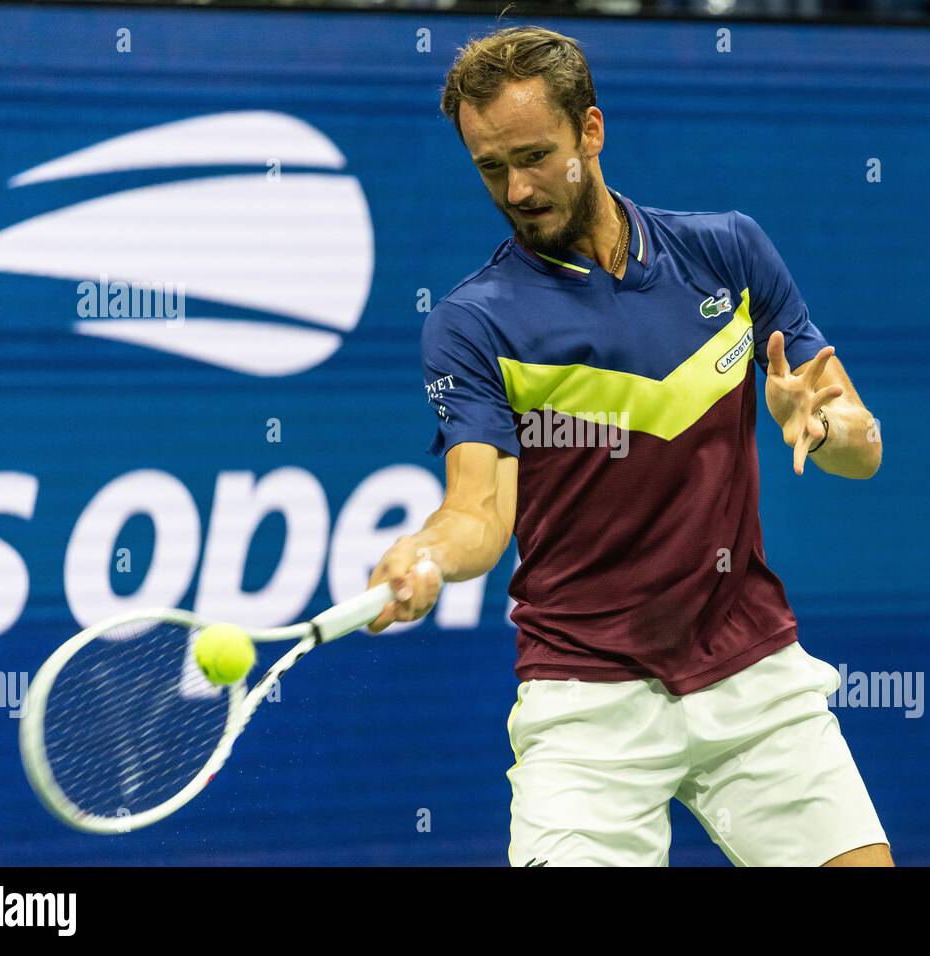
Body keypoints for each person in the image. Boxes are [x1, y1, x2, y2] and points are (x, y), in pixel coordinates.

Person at [367, 24, 892, 867]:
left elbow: (861, 448)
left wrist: (825, 425)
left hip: (749, 667)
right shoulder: (473, 323)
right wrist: (426, 552)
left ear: (592, 131)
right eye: (491, 168)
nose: (518, 188)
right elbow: (478, 511)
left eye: (536, 156)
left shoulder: (727, 254)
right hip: (586, 698)